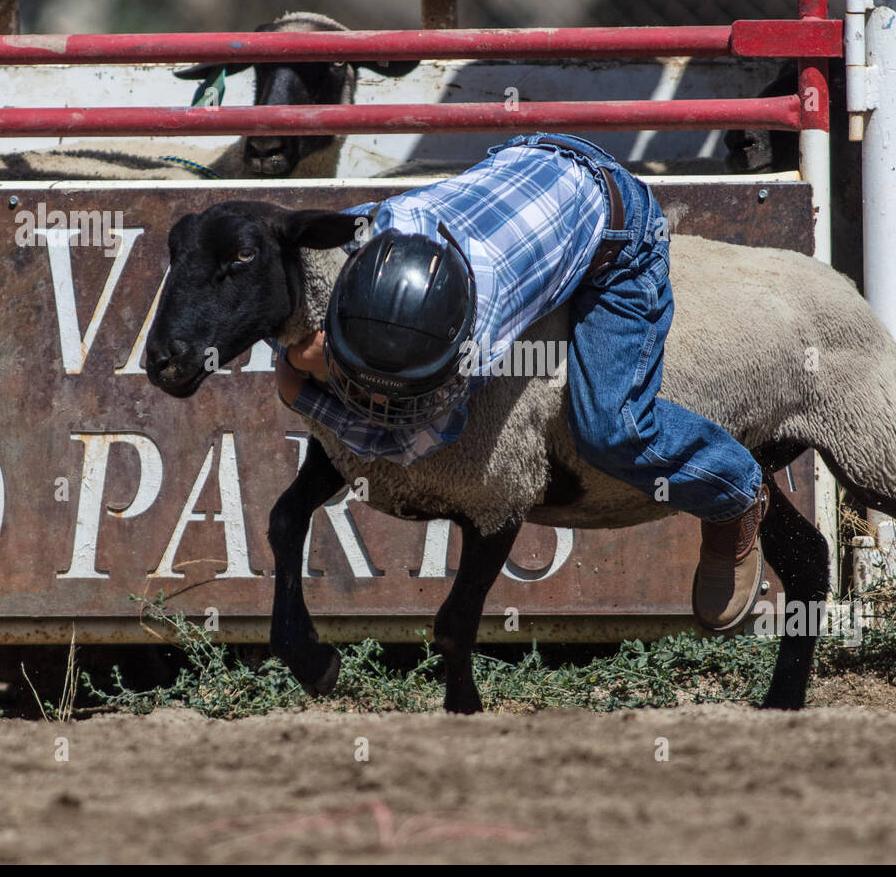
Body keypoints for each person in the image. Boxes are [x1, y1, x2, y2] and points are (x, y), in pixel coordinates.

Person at [274, 132, 770, 635]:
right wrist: (318, 350)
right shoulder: (384, 227)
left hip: (618, 230)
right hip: (531, 162)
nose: (375, 401)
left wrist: (306, 395)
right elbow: (300, 257)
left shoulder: (479, 347)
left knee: (611, 428)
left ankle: (734, 494)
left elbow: (414, 441)